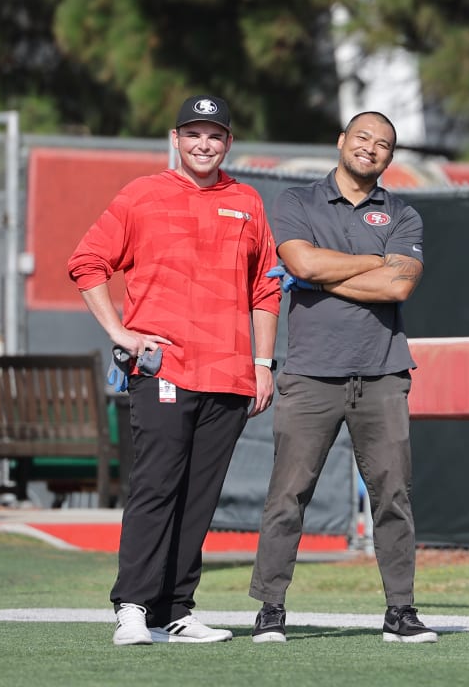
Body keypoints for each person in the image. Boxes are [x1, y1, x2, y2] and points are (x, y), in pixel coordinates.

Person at [68, 94, 281, 645]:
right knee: (156, 487)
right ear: (175, 139)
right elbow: (87, 262)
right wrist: (120, 333)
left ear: (228, 142)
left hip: (230, 374)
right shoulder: (142, 195)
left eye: (214, 135)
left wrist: (262, 364)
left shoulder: (248, 201)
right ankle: (133, 607)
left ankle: (175, 611)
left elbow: (266, 288)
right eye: (193, 134)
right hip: (164, 369)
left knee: (199, 497)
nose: (203, 144)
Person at [248, 111, 436, 644]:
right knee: (288, 495)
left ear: (390, 157)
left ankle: (400, 612)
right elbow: (301, 263)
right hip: (311, 373)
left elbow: (398, 287)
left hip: (383, 373)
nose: (370, 148)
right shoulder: (297, 201)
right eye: (362, 137)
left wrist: (321, 276)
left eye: (383, 144)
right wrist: (372, 262)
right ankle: (270, 608)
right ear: (341, 141)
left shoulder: (403, 214)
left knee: (393, 497)